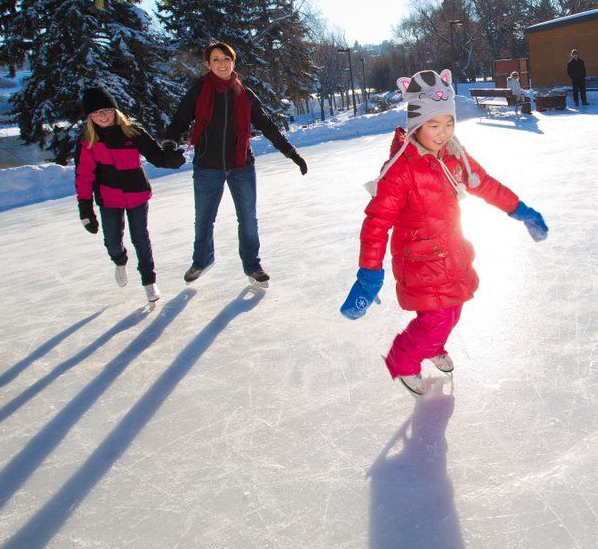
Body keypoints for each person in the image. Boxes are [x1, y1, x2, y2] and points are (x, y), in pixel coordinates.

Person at [339, 68, 549, 396]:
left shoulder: (453, 154)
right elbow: (377, 222)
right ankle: (402, 360)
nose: (442, 133)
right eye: (433, 125)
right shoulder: (401, 170)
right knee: (438, 317)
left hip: (450, 252)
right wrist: (369, 273)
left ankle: (431, 345)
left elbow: (484, 183)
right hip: (420, 261)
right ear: (416, 125)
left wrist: (519, 209)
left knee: (451, 311)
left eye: (448, 123)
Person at [166, 41, 308, 287]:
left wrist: (291, 153)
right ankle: (202, 260)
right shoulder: (199, 90)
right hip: (207, 165)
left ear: (233, 62)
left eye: (226, 59)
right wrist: (169, 143)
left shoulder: (244, 93)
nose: (222, 64)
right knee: (204, 219)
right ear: (208, 64)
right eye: (216, 59)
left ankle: (253, 266)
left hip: (241, 165)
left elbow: (267, 126)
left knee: (248, 218)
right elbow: (180, 118)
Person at [75, 87, 186, 303]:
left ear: (115, 110)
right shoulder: (88, 142)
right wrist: (85, 208)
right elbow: (84, 176)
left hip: (137, 194)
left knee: (140, 238)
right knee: (112, 241)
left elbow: (156, 156)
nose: (103, 116)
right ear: (90, 116)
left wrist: (171, 160)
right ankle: (119, 260)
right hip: (109, 198)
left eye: (107, 110)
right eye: (97, 112)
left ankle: (149, 281)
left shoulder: (133, 132)